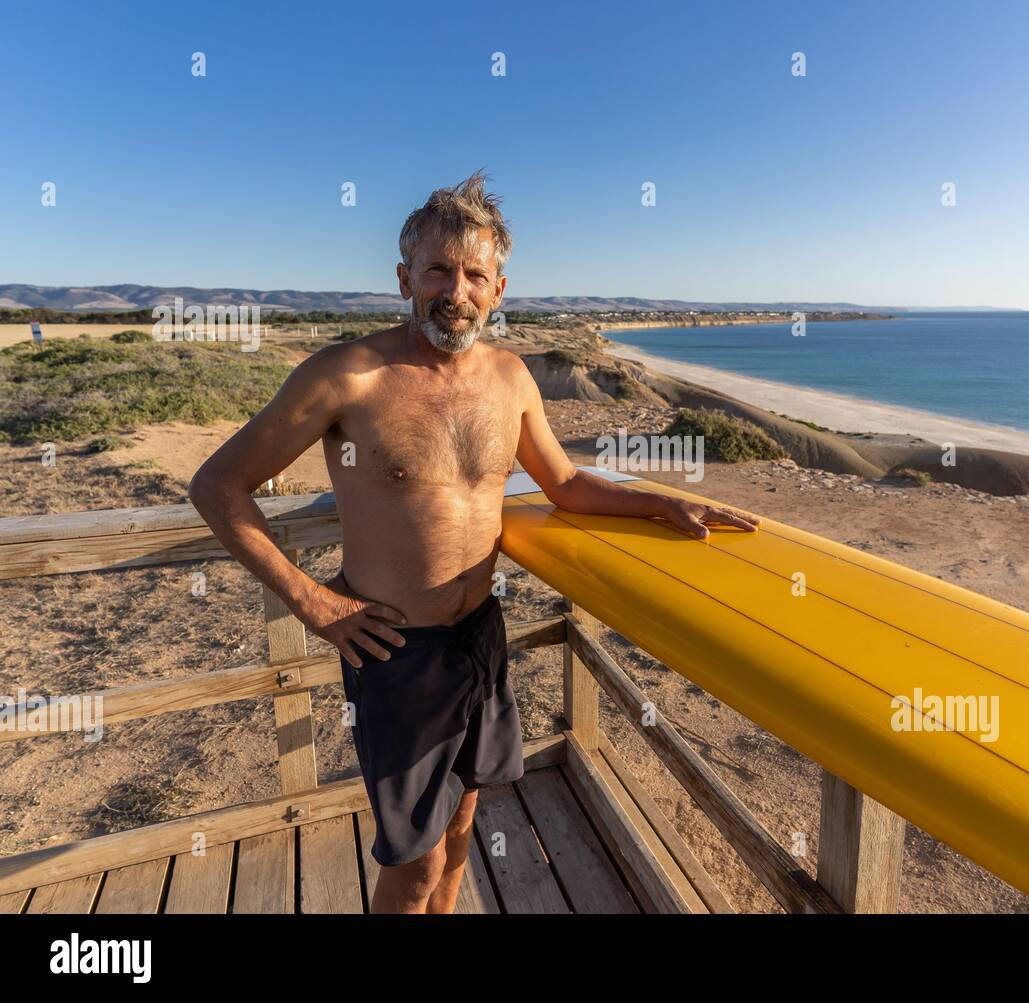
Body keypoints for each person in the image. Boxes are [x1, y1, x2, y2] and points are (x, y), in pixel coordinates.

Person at [188, 170, 759, 913]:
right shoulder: (347, 377)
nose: (455, 289)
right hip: (393, 652)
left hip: (480, 637)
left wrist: (658, 500)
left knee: (463, 820)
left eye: (474, 273)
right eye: (437, 270)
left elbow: (563, 485)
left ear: (498, 289)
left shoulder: (512, 378)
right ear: (404, 279)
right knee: (415, 864)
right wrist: (312, 602)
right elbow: (217, 486)